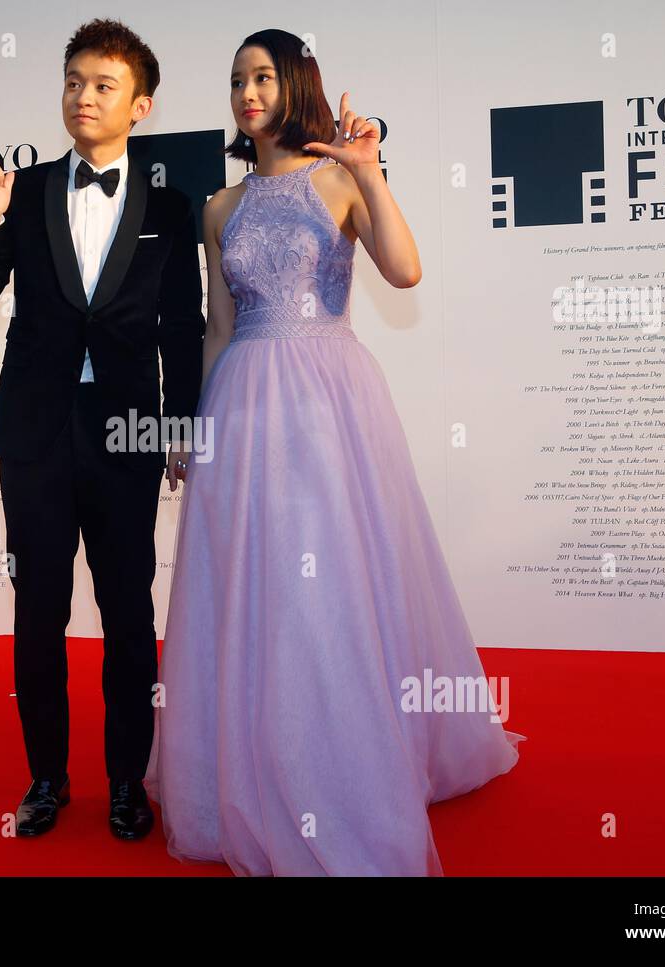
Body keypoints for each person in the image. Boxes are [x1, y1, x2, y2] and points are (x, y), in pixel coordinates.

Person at [143, 28, 525, 875]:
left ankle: (346, 772)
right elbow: (217, 329)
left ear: (298, 83)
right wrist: (195, 427)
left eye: (265, 75)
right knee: (253, 588)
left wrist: (370, 174)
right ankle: (254, 770)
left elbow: (406, 271)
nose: (248, 91)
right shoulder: (219, 208)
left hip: (327, 401)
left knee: (330, 587)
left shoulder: (339, 180)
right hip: (242, 401)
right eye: (238, 78)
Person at [0, 19, 204, 840]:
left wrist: (181, 424)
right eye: (73, 82)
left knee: (129, 612)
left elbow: (183, 327)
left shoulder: (170, 205)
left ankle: (128, 781)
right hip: (35, 431)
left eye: (102, 85)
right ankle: (47, 779)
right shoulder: (17, 194)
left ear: (141, 104)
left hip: (127, 430)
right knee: (38, 610)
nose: (83, 97)